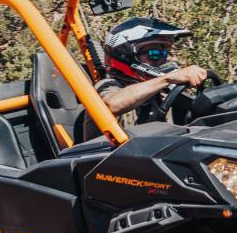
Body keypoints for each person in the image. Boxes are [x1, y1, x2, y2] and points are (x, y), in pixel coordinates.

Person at [80, 17, 208, 141]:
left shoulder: (158, 91)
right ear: (127, 55)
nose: (163, 61)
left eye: (164, 54)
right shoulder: (108, 85)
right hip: (107, 155)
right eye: (154, 54)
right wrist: (167, 78)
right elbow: (110, 105)